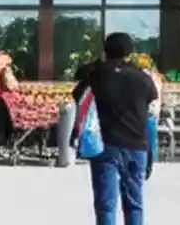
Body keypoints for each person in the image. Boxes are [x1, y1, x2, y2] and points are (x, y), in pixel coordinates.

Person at [73, 33, 159, 225]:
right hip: (136, 144)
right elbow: (151, 112)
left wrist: (98, 64)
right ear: (130, 51)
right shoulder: (143, 78)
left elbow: (77, 93)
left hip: (105, 143)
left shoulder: (96, 74)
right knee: (134, 204)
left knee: (105, 205)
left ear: (105, 51)